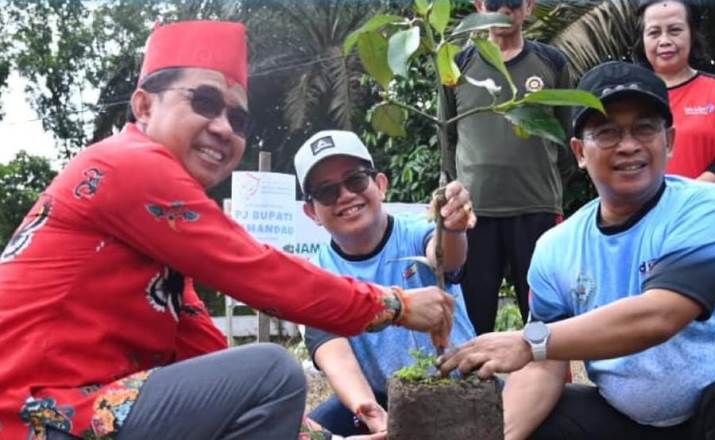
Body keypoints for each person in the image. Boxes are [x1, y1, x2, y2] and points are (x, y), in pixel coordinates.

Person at [0, 20, 454, 440]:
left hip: (66, 406)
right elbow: (261, 273)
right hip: (34, 409)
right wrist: (397, 304)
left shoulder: (163, 238)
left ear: (380, 185)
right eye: (204, 102)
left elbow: (205, 351)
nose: (223, 128)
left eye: (238, 119)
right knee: (274, 370)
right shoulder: (129, 165)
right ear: (143, 105)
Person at [438, 61, 715, 440]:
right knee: (548, 419)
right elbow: (544, 365)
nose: (628, 145)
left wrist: (529, 341)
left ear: (670, 141)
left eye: (644, 128)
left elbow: (661, 315)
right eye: (607, 132)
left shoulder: (708, 206)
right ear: (579, 151)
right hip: (632, 423)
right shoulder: (556, 247)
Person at [292, 130, 477, 436]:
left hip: (458, 386)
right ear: (312, 211)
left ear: (379, 185)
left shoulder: (417, 232)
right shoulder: (316, 276)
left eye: (355, 180)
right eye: (326, 191)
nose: (346, 195)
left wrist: (453, 227)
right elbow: (333, 352)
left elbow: (445, 258)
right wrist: (373, 413)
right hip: (384, 397)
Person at [439, 0, 575, 335]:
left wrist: (546, 186)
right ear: (478, 5)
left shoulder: (552, 63)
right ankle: (476, 387)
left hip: (537, 208)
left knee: (545, 317)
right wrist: (456, 198)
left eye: (513, 2)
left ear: (528, 6)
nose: (504, 9)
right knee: (473, 319)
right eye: (494, 2)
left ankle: (549, 387)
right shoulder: (457, 64)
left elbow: (566, 138)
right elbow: (448, 137)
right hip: (475, 213)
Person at [634, 0, 715, 193]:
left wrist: (687, 197)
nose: (664, 40)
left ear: (692, 34)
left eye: (675, 30)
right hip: (643, 214)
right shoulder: (629, 97)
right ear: (643, 39)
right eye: (654, 32)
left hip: (708, 211)